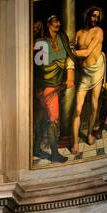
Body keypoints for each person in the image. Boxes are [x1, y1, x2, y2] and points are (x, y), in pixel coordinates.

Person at [34, 13, 74, 162]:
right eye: (54, 21)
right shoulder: (40, 43)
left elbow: (69, 58)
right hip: (46, 88)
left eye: (59, 21)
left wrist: (70, 76)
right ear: (48, 23)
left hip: (58, 86)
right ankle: (55, 154)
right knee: (52, 121)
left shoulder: (63, 39)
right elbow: (36, 67)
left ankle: (36, 148)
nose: (58, 23)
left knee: (43, 119)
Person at [71, 7, 106, 155]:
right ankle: (75, 143)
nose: (95, 19)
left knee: (93, 105)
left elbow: (86, 52)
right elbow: (73, 46)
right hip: (84, 73)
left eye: (97, 17)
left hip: (96, 70)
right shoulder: (79, 33)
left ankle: (90, 133)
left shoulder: (99, 31)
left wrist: (70, 51)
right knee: (78, 109)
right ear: (87, 15)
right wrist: (70, 50)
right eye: (93, 16)